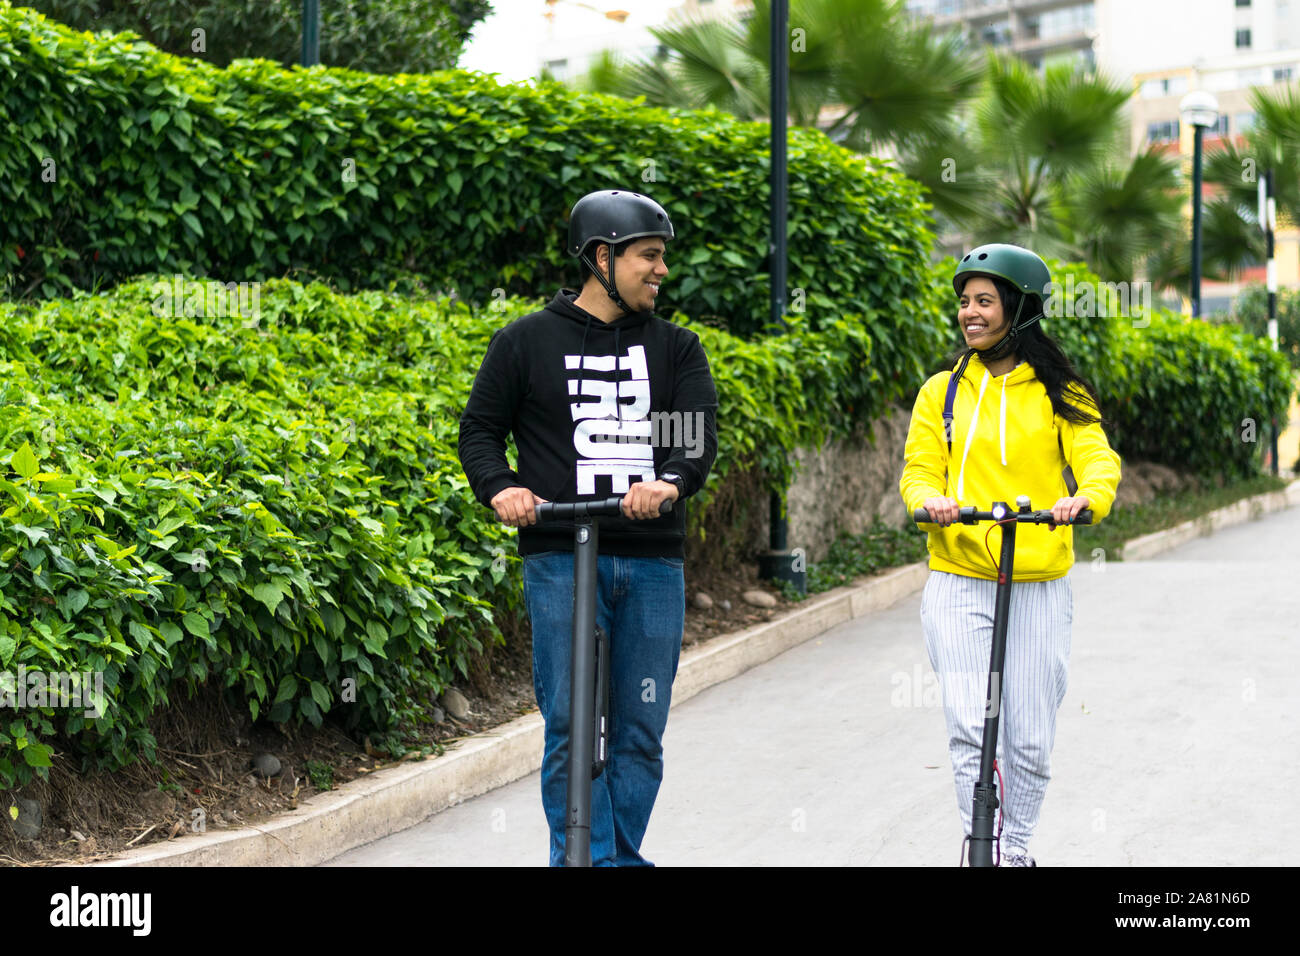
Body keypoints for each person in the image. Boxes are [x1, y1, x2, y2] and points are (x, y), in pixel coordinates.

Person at [457, 189, 718, 866]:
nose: (661, 271)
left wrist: (669, 482)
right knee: (572, 727)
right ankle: (594, 863)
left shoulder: (676, 349)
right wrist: (503, 488)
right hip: (558, 555)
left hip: (652, 560)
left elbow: (692, 440)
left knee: (639, 730)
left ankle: (604, 862)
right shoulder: (523, 342)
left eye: (663, 258)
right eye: (648, 257)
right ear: (602, 257)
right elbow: (481, 432)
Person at [899, 243, 1121, 867]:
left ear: (1019, 309)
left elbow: (1096, 457)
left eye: (984, 302)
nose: (969, 313)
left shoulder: (1061, 392)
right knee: (972, 723)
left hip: (1038, 580)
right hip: (959, 575)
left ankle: (1016, 847)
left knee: (1028, 738)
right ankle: (983, 847)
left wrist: (1087, 497)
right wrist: (931, 500)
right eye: (964, 302)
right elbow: (919, 470)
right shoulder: (940, 392)